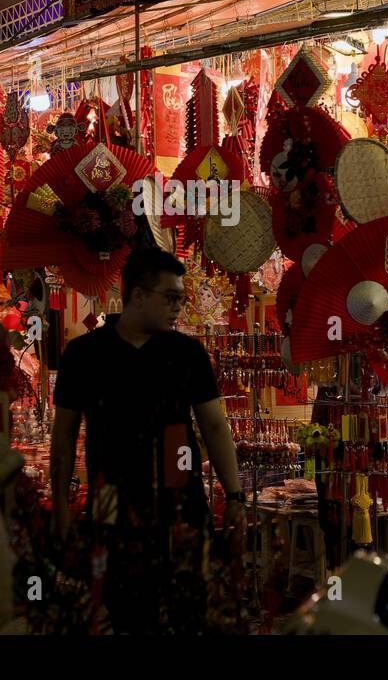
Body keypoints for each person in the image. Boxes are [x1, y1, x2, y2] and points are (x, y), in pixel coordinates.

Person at [49, 248, 246, 633]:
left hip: (181, 502)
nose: (178, 309)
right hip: (111, 507)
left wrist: (235, 495)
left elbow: (215, 427)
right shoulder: (84, 354)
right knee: (122, 615)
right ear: (137, 296)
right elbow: (64, 434)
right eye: (170, 298)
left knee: (189, 614)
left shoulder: (187, 353)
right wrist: (59, 504)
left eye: (181, 299)